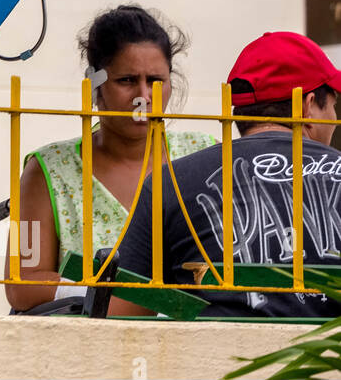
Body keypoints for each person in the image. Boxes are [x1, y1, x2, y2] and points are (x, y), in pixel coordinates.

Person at [111, 32, 341, 318]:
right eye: (333, 106)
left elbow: (123, 313)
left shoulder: (169, 182)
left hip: (215, 360)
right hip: (324, 361)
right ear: (307, 105)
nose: (334, 120)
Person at [5, 4, 215, 311]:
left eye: (156, 81)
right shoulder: (48, 170)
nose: (143, 95)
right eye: (127, 80)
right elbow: (22, 282)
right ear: (95, 84)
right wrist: (98, 296)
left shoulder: (203, 154)